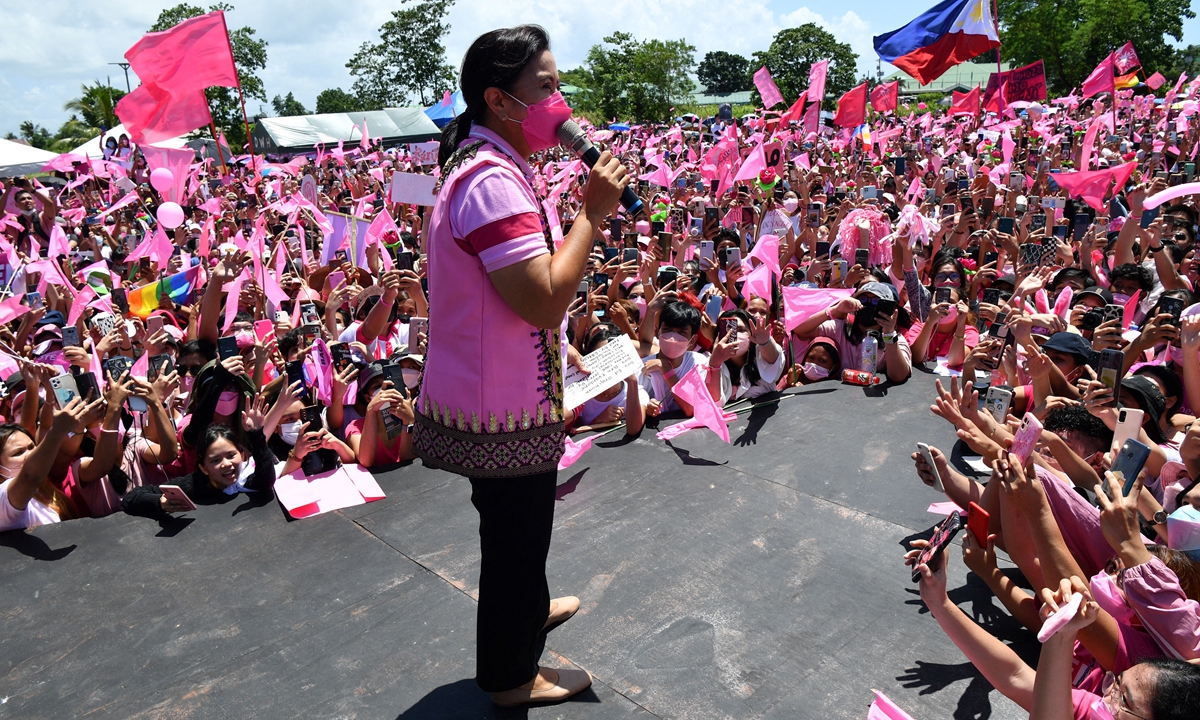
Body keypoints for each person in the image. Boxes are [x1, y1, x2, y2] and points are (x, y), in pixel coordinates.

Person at [410, 24, 627, 706]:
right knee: (514, 536)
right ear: (501, 102)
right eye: (547, 87)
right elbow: (541, 300)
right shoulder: (490, 183)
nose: (561, 102)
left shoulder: (496, 168)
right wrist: (591, 215)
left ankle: (526, 613)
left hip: (508, 391)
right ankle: (509, 675)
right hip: (497, 402)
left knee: (524, 527)